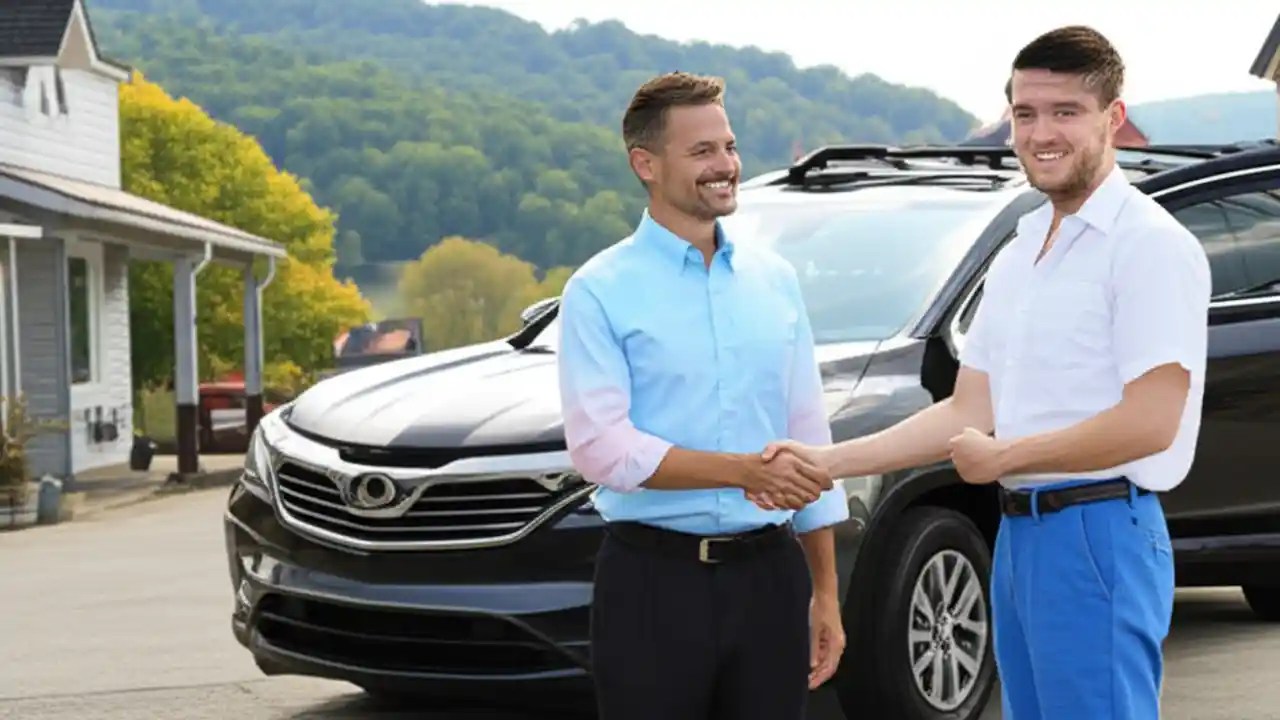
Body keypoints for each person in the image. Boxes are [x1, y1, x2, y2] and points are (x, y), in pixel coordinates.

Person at [765, 26, 1210, 720]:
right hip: (1019, 537)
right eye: (1025, 114)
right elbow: (967, 409)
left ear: (1112, 119)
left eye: (1065, 112)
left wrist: (1008, 454)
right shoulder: (1022, 250)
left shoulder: (1149, 246)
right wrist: (827, 460)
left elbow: (1152, 421)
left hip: (1099, 532)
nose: (1040, 133)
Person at [556, 71, 851, 720]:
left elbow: (810, 439)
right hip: (652, 586)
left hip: (771, 581)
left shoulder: (775, 281)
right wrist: (743, 472)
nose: (726, 166)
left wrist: (824, 593)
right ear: (645, 164)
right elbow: (604, 450)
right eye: (702, 152)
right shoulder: (599, 289)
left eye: (729, 146)